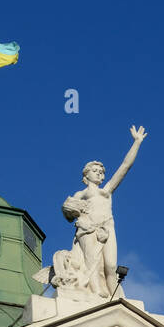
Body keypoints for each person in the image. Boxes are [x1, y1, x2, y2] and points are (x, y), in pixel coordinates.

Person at [63, 125, 146, 297]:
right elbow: (67, 211)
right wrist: (76, 214)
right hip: (88, 229)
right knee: (92, 262)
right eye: (95, 171)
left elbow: (124, 167)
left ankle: (115, 294)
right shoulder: (81, 194)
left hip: (107, 228)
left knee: (110, 265)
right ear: (86, 176)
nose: (100, 174)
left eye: (101, 172)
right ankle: (96, 291)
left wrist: (137, 142)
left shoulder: (105, 191)